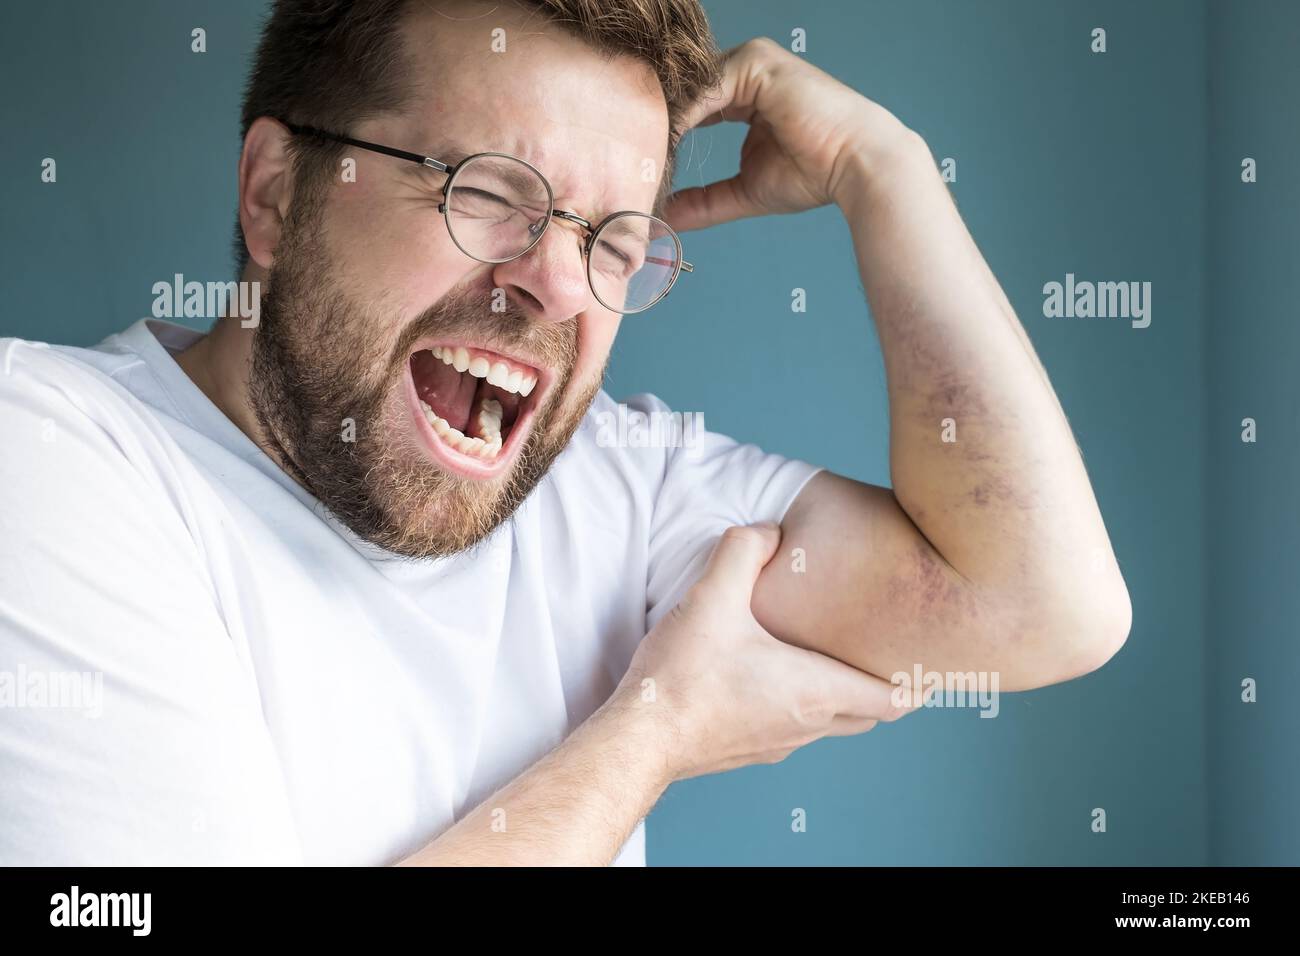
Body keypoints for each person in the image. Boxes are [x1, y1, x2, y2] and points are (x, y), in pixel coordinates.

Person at [0, 0, 1130, 865]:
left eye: (613, 241)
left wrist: (879, 171)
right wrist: (656, 726)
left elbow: (1034, 603)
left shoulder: (614, 489)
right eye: (489, 192)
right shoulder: (52, 454)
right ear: (273, 195)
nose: (556, 285)